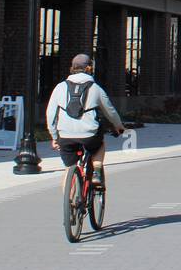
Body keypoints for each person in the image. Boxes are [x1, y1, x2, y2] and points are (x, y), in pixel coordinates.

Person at [46, 54, 126, 189]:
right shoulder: (95, 88)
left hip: (65, 136)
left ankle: (70, 202)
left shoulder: (60, 87)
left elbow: (50, 114)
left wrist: (54, 137)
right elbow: (110, 111)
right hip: (89, 135)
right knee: (99, 145)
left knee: (69, 168)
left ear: (72, 68)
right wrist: (119, 126)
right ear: (89, 68)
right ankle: (97, 172)